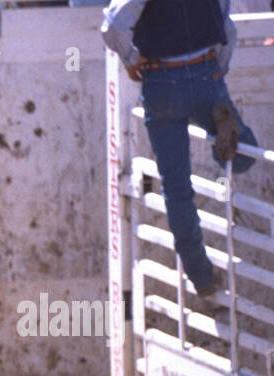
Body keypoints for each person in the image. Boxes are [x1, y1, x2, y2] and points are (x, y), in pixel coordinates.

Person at [102, 0, 259, 311]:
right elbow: (227, 28)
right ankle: (223, 140)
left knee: (177, 191)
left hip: (160, 82)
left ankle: (201, 278)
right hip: (205, 74)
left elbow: (112, 26)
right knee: (246, 155)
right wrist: (216, 73)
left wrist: (132, 58)